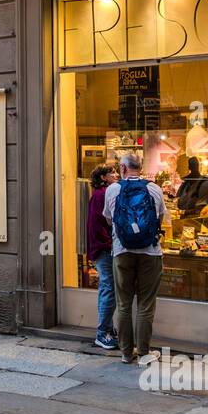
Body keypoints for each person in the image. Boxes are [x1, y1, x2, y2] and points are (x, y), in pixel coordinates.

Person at [103, 153, 167, 365]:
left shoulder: (113, 190)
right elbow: (160, 218)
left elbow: (109, 218)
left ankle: (125, 353)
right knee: (146, 304)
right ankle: (144, 353)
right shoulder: (154, 189)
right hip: (150, 253)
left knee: (123, 304)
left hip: (121, 252)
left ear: (122, 168)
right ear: (140, 168)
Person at [87, 164, 120, 351]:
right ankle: (103, 333)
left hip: (103, 247)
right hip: (105, 248)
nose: (115, 175)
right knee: (110, 288)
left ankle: (106, 328)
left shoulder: (101, 194)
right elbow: (105, 222)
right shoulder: (102, 195)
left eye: (116, 171)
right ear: (103, 178)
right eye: (111, 173)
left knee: (106, 288)